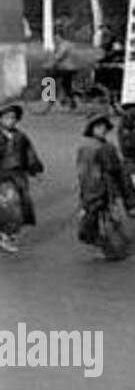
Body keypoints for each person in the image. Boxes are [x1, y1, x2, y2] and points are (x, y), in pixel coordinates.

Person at [76, 110, 135, 261]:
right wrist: (93, 195)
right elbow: (87, 175)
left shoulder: (108, 146)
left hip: (110, 189)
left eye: (103, 127)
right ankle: (106, 247)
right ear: (92, 129)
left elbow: (118, 169)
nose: (101, 130)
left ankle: (114, 244)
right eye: (98, 127)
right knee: (99, 220)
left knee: (111, 218)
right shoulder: (89, 148)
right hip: (98, 191)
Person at [0, 102, 43, 254]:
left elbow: (29, 154)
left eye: (13, 118)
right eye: (7, 117)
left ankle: (9, 235)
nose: (10, 120)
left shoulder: (21, 137)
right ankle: (5, 235)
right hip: (2, 177)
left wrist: (35, 170)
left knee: (22, 204)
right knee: (11, 206)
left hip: (18, 176)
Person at [47, 26, 79, 110]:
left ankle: (51, 99)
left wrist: (51, 62)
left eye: (55, 37)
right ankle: (71, 102)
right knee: (66, 86)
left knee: (50, 78)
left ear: (59, 36)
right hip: (70, 68)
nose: (54, 39)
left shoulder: (64, 45)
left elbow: (58, 57)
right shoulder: (68, 44)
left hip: (66, 68)